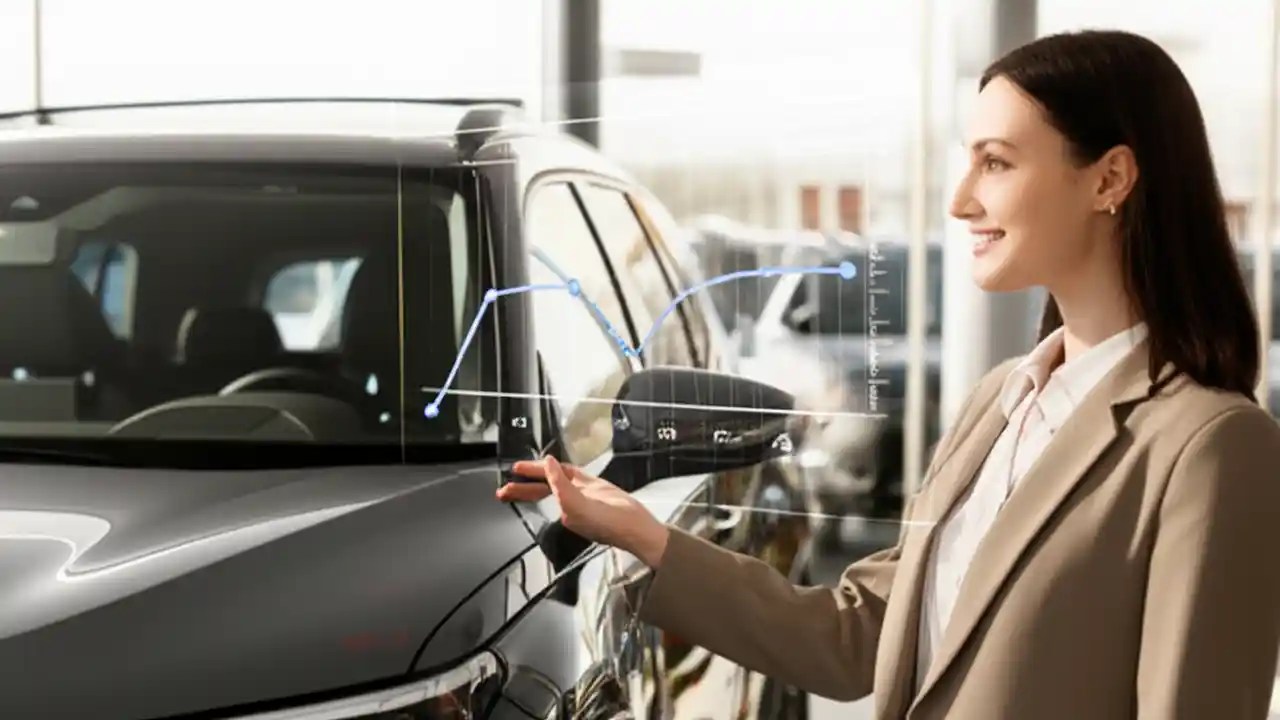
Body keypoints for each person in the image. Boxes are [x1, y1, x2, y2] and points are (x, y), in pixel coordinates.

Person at [497, 29, 1280, 719]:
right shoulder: (1001, 402)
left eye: (997, 163)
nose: (961, 201)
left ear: (1110, 180)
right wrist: (647, 537)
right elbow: (859, 633)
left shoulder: (1213, 448)